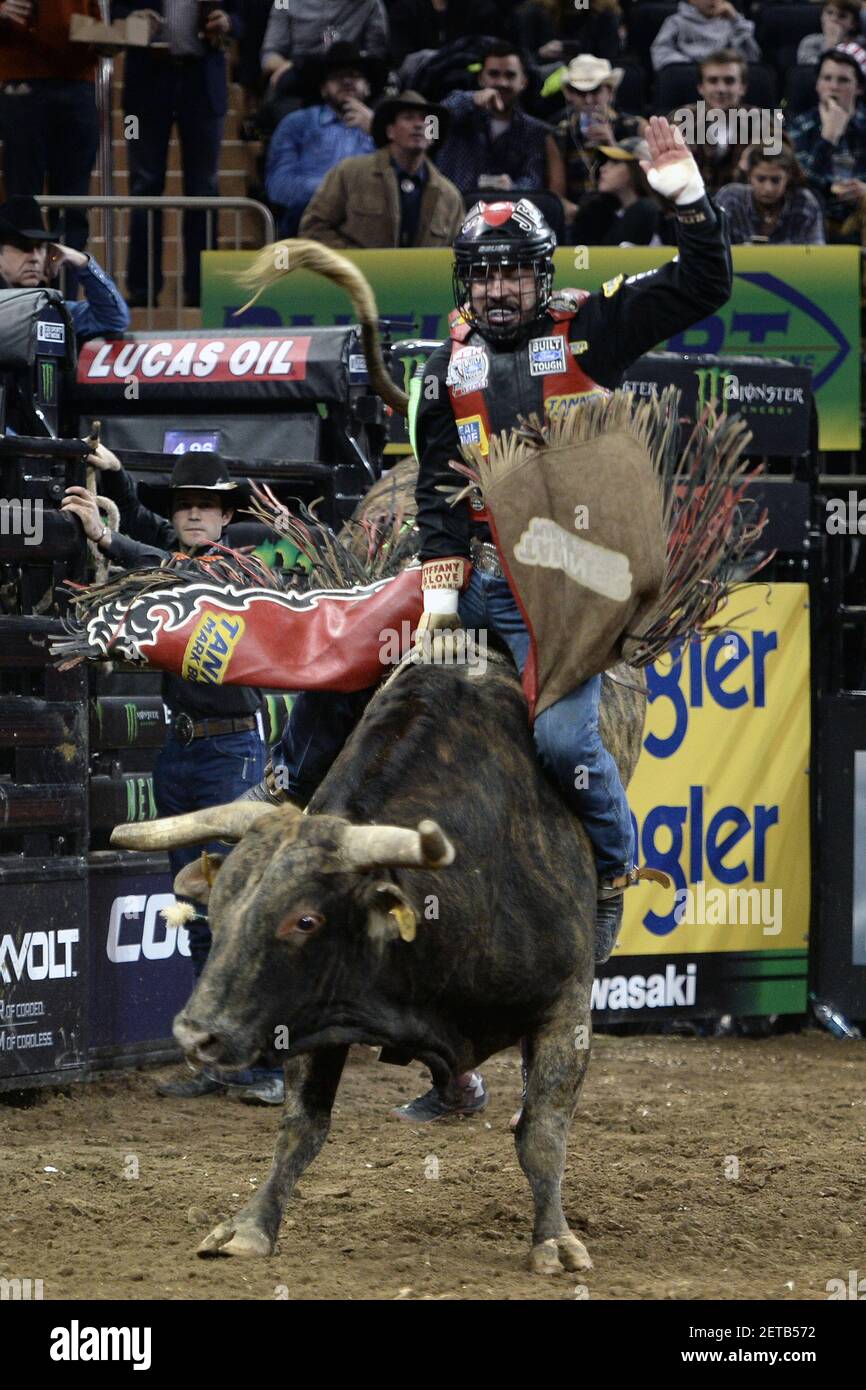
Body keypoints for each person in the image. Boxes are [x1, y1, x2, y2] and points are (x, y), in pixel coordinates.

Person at [252, 115, 732, 1121]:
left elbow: (702, 287)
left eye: (515, 273)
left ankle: (607, 870)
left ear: (540, 274)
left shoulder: (588, 327)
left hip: (562, 579)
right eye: (483, 274)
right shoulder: (445, 363)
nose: (499, 289)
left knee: (560, 735)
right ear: (464, 280)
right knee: (344, 673)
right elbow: (436, 484)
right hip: (467, 576)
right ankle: (294, 788)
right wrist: (434, 593)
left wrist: (686, 198)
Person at [61, 452, 279, 1103]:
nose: (191, 511)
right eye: (184, 502)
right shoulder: (187, 552)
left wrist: (107, 537)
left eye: (205, 504)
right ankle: (221, 1059)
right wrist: (120, 477)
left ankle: (265, 1064)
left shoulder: (236, 569)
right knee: (197, 908)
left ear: (228, 515)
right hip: (185, 753)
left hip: (229, 757)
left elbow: (173, 572)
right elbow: (169, 551)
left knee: (238, 908)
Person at [112, 1, 241, 308]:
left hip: (204, 84)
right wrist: (133, 18)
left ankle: (202, 290)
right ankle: (142, 290)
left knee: (204, 188)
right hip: (144, 85)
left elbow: (244, 14)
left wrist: (229, 22)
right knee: (143, 185)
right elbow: (114, 14)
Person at [0, 0, 101, 273]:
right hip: (23, 83)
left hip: (79, 83)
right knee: (21, 199)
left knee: (73, 204)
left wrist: (107, 37)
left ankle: (64, 300)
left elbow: (97, 20)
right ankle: (20, 297)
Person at [299, 91, 463, 248]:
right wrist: (357, 261)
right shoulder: (350, 173)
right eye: (408, 118)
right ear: (390, 131)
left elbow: (460, 251)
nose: (419, 125)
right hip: (357, 276)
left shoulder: (449, 195)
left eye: (427, 120)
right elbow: (313, 227)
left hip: (422, 277)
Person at [265, 42, 377, 237]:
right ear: (323, 89)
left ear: (367, 88)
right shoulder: (297, 124)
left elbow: (406, 177)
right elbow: (278, 185)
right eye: (338, 76)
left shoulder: (388, 128)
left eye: (355, 75)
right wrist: (335, 191)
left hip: (371, 221)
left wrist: (377, 131)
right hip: (311, 217)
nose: (347, 81)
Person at [436, 42, 565, 204]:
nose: (502, 83)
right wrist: (471, 100)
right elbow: (429, 126)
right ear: (481, 78)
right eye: (494, 74)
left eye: (510, 75)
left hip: (507, 214)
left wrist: (512, 188)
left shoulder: (534, 131)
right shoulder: (458, 110)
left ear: (523, 82)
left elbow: (534, 179)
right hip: (455, 209)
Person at [0, 195, 130, 338]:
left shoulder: (53, 312)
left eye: (40, 247)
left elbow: (114, 320)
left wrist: (82, 262)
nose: (35, 258)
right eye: (24, 247)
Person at [789, 46, 866, 240]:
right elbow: (800, 186)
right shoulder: (800, 126)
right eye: (827, 78)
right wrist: (828, 138)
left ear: (859, 88)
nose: (833, 86)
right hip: (816, 219)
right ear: (817, 85)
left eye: (843, 80)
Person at [553, 54, 645, 212]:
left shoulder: (635, 126)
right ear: (570, 95)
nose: (588, 100)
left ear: (610, 92)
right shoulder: (560, 134)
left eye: (595, 91)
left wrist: (612, 145)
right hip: (578, 215)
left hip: (627, 212)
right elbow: (556, 194)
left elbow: (645, 183)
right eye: (581, 93)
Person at [669, 49, 759, 196]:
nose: (721, 89)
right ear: (701, 87)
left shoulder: (761, 122)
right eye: (713, 81)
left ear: (742, 87)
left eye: (729, 81)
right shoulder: (681, 119)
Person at [260, 0, 390, 102]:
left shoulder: (370, 3)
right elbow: (270, 55)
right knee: (283, 84)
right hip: (302, 77)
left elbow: (376, 57)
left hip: (350, 73)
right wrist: (292, 66)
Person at [716, 145, 826, 243]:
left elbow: (817, 256)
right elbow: (710, 247)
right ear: (749, 176)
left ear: (788, 177)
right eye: (760, 179)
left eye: (776, 180)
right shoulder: (730, 199)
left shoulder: (805, 203)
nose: (768, 188)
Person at [570, 137, 664, 245]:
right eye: (606, 162)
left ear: (637, 168)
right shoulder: (599, 212)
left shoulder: (649, 211)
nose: (603, 168)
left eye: (615, 162)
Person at [388, 0, 508, 71]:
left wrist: (466, 69)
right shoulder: (405, 9)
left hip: (470, 76)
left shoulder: (481, 9)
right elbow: (401, 60)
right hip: (418, 81)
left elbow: (485, 59)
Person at [651, 0, 760, 72]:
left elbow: (751, 57)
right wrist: (692, 67)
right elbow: (660, 53)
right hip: (690, 76)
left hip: (725, 75)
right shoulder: (676, 22)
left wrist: (735, 20)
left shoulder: (731, 22)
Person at [511, 0, 623, 68]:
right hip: (546, 73)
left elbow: (609, 59)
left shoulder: (603, 14)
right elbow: (523, 56)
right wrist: (540, 54)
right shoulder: (537, 11)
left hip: (590, 74)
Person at [798, 1, 863, 69]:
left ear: (853, 24)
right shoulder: (810, 42)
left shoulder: (861, 44)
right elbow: (810, 70)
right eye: (829, 13)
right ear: (821, 16)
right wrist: (830, 46)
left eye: (842, 16)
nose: (833, 19)